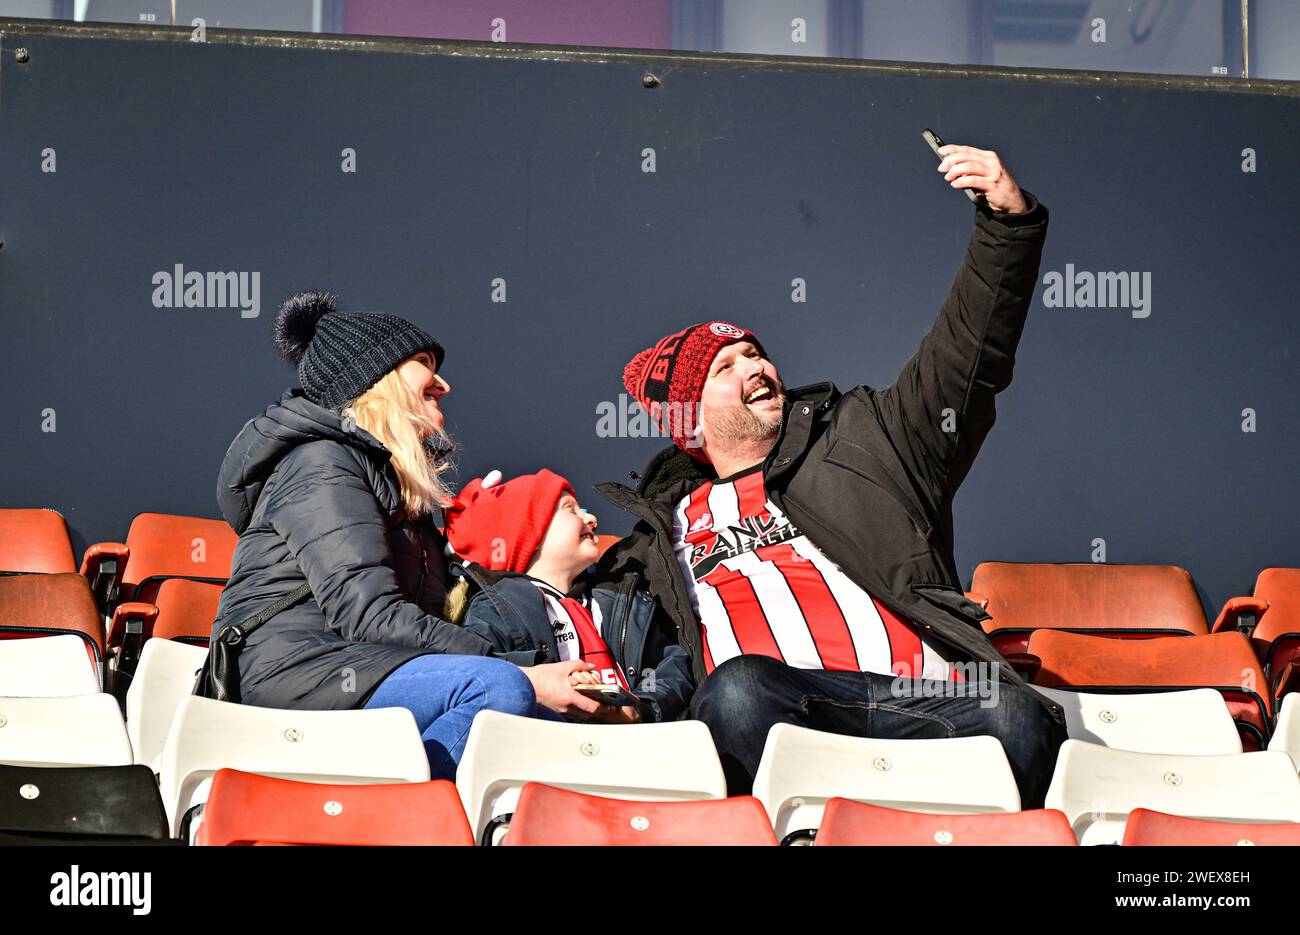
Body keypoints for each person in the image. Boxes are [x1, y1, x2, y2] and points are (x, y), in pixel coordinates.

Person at [592, 143, 1068, 806]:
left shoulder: (869, 436)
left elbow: (967, 358)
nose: (756, 367)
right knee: (733, 692)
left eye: (756, 353)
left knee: (1015, 715)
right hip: (786, 717)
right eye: (725, 368)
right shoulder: (657, 543)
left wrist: (1006, 228)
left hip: (923, 705)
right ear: (688, 423)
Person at [213, 290, 602, 778]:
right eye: (423, 362)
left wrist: (475, 539)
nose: (443, 383)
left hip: (366, 668)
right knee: (500, 692)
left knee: (558, 729)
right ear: (375, 379)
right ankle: (395, 818)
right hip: (290, 673)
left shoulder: (403, 495)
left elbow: (431, 621)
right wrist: (518, 672)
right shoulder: (321, 465)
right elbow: (369, 613)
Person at [441, 469, 693, 724]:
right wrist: (544, 676)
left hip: (639, 743)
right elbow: (484, 670)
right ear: (530, 535)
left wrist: (643, 707)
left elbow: (671, 665)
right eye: (570, 509)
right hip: (554, 749)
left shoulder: (619, 597)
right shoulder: (496, 607)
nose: (592, 518)